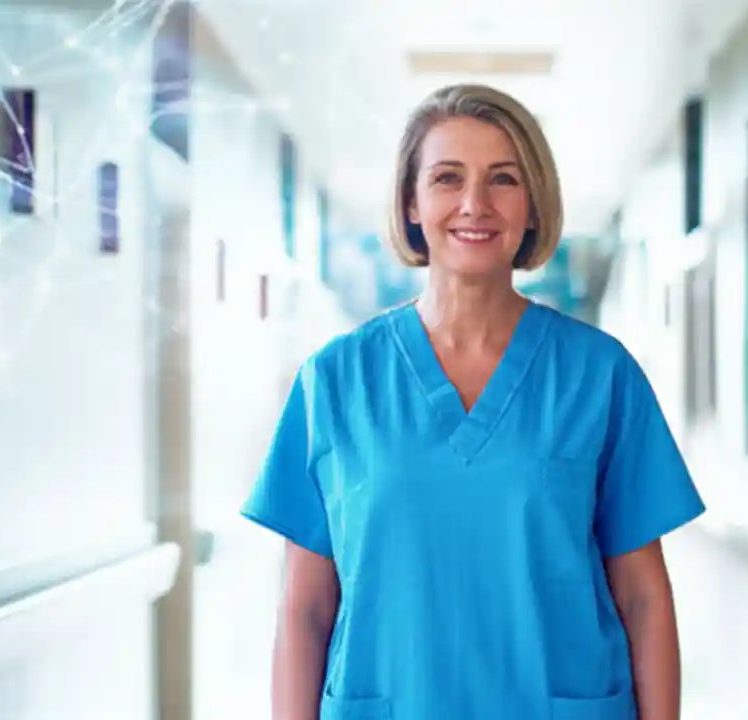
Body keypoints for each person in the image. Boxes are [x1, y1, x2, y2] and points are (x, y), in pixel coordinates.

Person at [242, 83, 705, 720]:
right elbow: (305, 608)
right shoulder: (336, 381)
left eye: (503, 180)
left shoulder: (600, 375)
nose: (474, 205)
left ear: (535, 202)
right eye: (447, 178)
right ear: (410, 202)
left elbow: (643, 596)